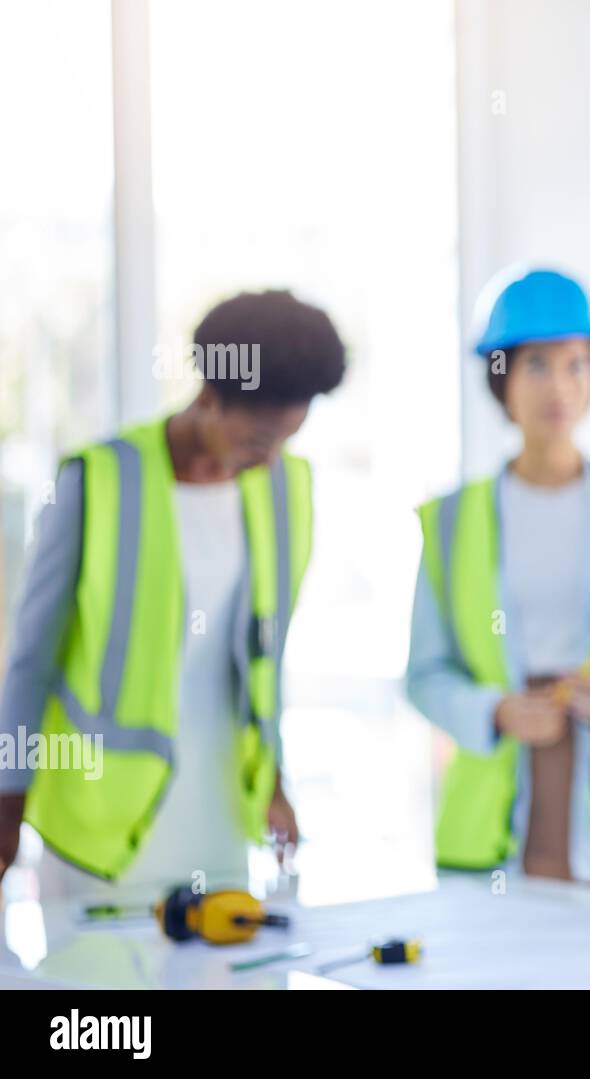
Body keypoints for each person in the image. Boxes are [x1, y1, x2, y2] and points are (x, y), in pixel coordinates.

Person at [0, 289, 345, 910]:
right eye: (256, 442)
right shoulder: (99, 480)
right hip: (97, 827)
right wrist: (7, 801)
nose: (269, 462)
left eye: (285, 441)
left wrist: (276, 781)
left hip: (220, 813)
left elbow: (263, 660)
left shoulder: (285, 487)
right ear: (208, 399)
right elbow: (30, 659)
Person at [405, 267, 590, 885]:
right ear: (501, 378)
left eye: (577, 364)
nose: (560, 387)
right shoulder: (452, 520)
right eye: (537, 365)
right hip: (496, 821)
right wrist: (493, 711)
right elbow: (423, 674)